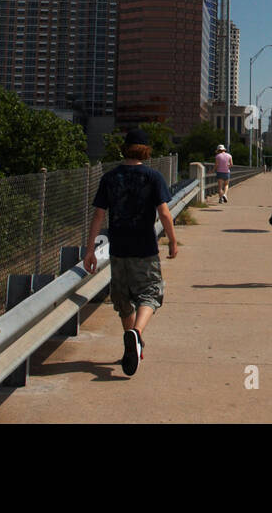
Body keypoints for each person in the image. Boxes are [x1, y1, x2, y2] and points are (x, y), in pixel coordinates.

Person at [84, 128, 178, 376]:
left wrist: (90, 249)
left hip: (118, 248)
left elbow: (98, 215)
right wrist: (173, 241)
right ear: (146, 151)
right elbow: (164, 213)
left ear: (124, 148)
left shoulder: (110, 178)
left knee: (123, 298)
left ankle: (133, 342)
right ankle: (136, 333)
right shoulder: (153, 177)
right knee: (150, 293)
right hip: (145, 247)